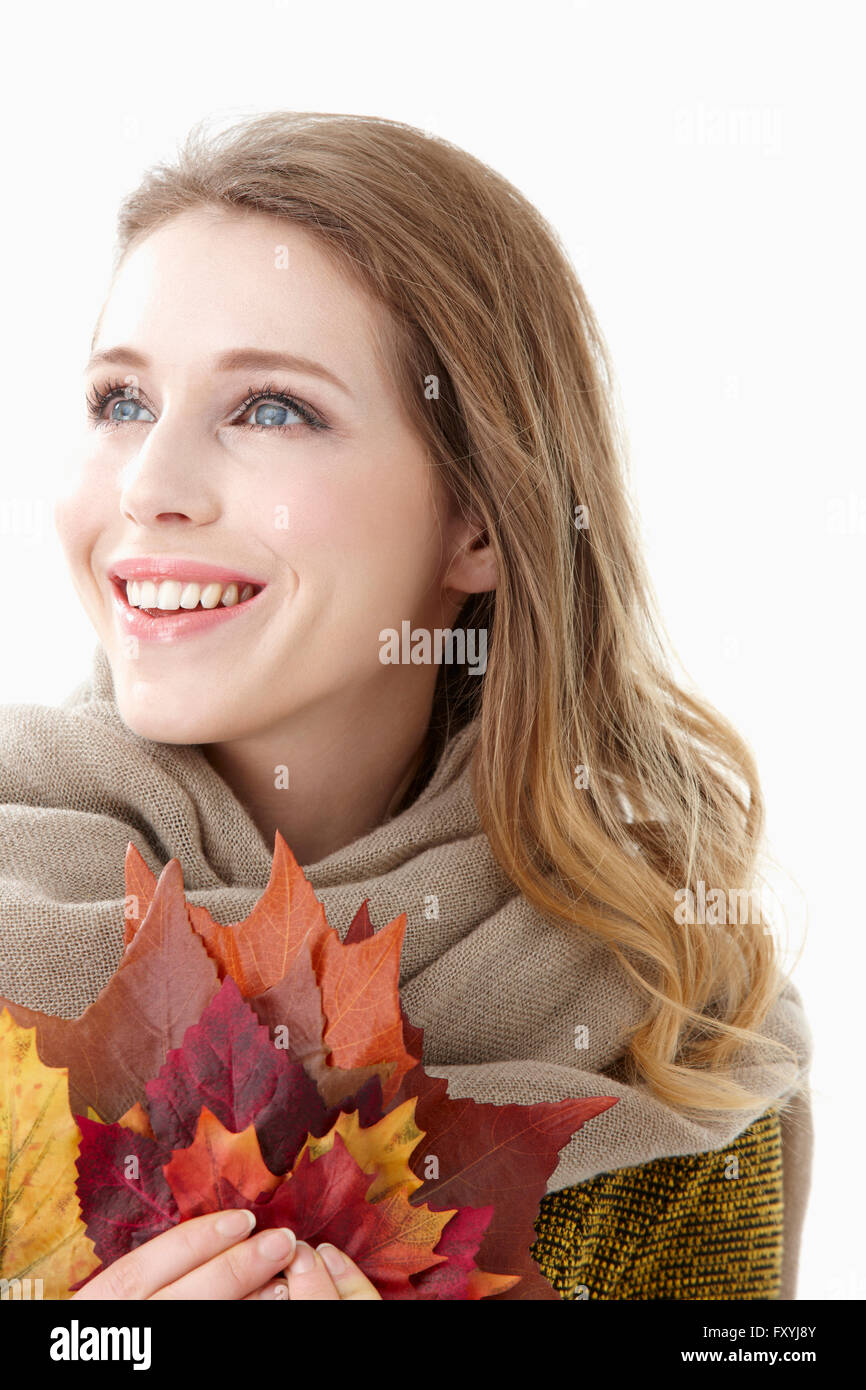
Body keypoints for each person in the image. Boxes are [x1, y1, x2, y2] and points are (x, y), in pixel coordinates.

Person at [0, 111, 812, 1301]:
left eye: (269, 408)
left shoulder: (670, 1028)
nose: (149, 486)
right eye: (121, 401)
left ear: (477, 521)